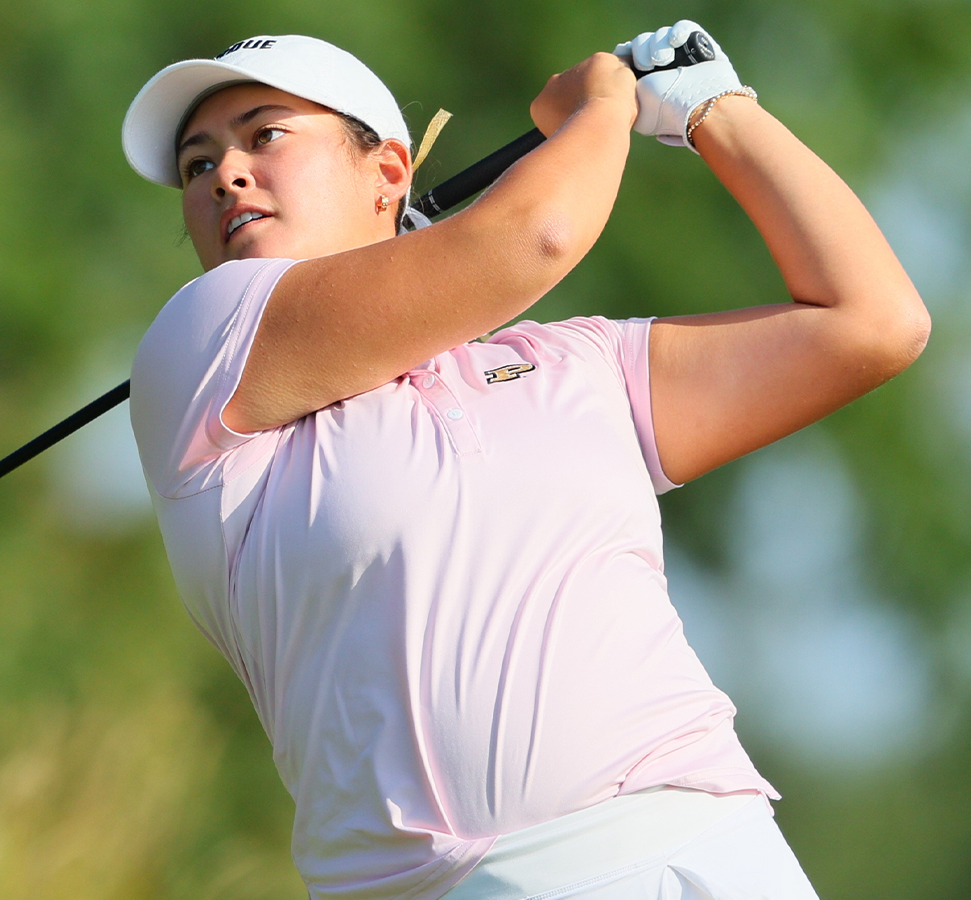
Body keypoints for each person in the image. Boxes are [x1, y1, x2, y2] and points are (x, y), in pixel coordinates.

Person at [123, 22, 928, 900]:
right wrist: (603, 104)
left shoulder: (576, 366)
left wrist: (712, 110)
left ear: (388, 172)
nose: (227, 174)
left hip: (701, 846)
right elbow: (535, 234)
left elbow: (872, 322)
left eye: (265, 134)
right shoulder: (199, 353)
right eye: (199, 165)